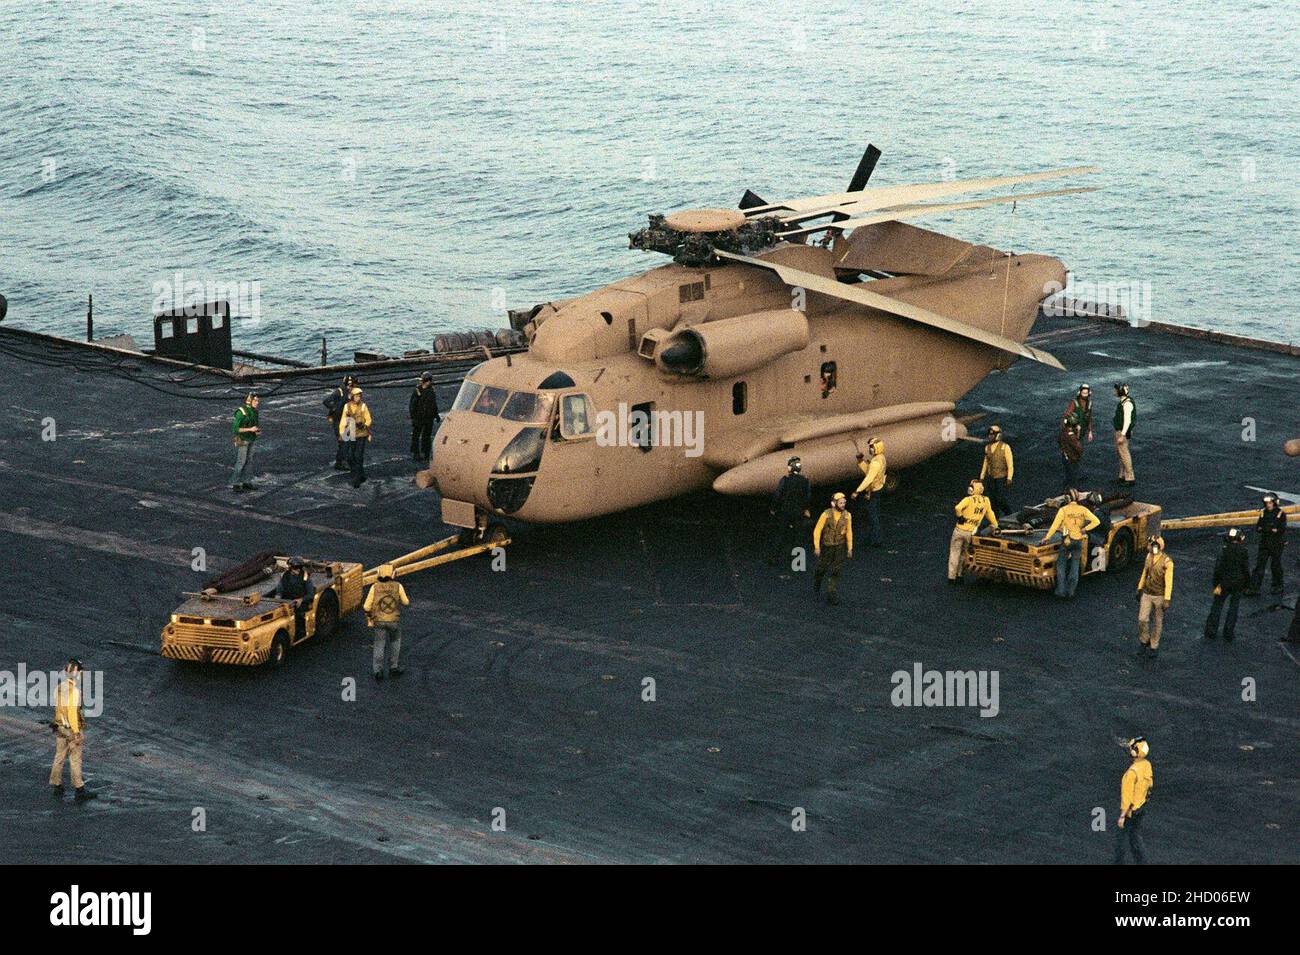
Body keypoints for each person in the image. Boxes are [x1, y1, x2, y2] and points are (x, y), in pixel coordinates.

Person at [49, 658, 95, 802]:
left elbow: (58, 708)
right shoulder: (74, 691)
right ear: (76, 673)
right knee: (75, 759)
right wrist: (76, 732)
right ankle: (79, 789)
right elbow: (72, 713)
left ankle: (57, 785)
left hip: (60, 728)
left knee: (59, 757)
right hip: (70, 729)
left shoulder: (59, 688)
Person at [1041, 489, 1100, 599]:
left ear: (1067, 499)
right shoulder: (1083, 510)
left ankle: (1060, 591)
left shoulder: (1063, 510)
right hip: (1078, 541)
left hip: (1066, 540)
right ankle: (1071, 591)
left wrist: (1046, 538)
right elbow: (1096, 521)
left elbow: (1054, 526)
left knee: (1061, 565)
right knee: (1075, 566)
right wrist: (1085, 529)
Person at [364, 564, 410, 680]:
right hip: (393, 621)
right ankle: (393, 667)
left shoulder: (374, 587)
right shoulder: (398, 586)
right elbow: (406, 602)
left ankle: (378, 671)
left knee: (379, 645)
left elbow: (366, 606)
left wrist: (370, 616)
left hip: (379, 621)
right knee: (395, 643)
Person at [949, 480, 998, 584]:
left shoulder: (968, 499)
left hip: (959, 530)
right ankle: (960, 575)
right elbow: (990, 514)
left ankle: (951, 577)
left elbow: (957, 508)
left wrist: (960, 517)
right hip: (971, 533)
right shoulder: (986, 500)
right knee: (964, 554)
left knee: (954, 553)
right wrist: (996, 525)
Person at [1113, 737, 1153, 865]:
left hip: (1130, 811)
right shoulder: (1147, 765)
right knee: (1135, 837)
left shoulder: (1131, 773)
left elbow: (1127, 797)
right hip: (1142, 808)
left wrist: (1122, 816)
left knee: (1121, 839)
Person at [1205, 528, 1250, 640]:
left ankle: (1211, 630)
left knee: (1217, 606)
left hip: (1224, 582)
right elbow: (1245, 569)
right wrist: (1247, 584)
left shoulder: (1223, 550)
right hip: (1237, 583)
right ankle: (1228, 632)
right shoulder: (1243, 551)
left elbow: (1218, 568)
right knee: (1233, 608)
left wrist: (1216, 583)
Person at [769, 456, 811, 568]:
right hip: (799, 512)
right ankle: (798, 563)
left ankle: (774, 560)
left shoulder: (785, 480)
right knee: (798, 537)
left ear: (790, 468)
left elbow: (778, 495)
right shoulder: (805, 480)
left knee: (781, 535)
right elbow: (807, 497)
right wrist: (805, 509)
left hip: (785, 512)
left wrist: (773, 508)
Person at [812, 492, 853, 604]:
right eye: (840, 503)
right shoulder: (826, 515)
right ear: (833, 503)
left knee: (836, 571)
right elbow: (817, 530)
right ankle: (817, 582)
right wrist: (817, 547)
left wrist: (850, 548)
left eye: (844, 503)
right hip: (827, 547)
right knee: (821, 568)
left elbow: (849, 532)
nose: (843, 505)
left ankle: (831, 594)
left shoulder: (847, 516)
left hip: (840, 547)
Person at [1135, 536, 1174, 656]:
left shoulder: (1167, 562)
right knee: (1142, 619)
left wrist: (1167, 599)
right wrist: (1139, 587)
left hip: (1159, 596)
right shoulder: (1148, 557)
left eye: (1151, 545)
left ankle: (1154, 645)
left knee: (1157, 621)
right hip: (1147, 593)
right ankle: (1144, 639)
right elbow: (1145, 572)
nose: (1149, 547)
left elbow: (1169, 582)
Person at [1245, 492, 1286, 596]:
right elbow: (1258, 527)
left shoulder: (1281, 514)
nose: (1268, 505)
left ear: (1274, 503)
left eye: (1270, 503)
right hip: (1265, 543)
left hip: (1276, 544)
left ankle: (1278, 586)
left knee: (1275, 565)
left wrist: (1267, 529)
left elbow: (1281, 529)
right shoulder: (1263, 513)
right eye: (1266, 503)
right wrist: (1269, 529)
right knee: (1259, 566)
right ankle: (1254, 588)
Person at [850, 437, 887, 547]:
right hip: (878, 488)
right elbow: (869, 471)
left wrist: (857, 491)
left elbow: (869, 478)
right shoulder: (880, 458)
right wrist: (860, 461)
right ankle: (874, 537)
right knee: (873, 514)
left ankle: (877, 540)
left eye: (871, 447)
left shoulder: (876, 462)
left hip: (874, 491)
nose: (870, 449)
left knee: (873, 516)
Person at [339, 387, 373, 488]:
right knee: (349, 455)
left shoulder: (363, 406)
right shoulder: (347, 406)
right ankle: (360, 473)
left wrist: (365, 425)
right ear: (352, 397)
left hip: (361, 433)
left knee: (358, 455)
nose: (358, 398)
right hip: (351, 431)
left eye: (359, 396)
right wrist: (342, 433)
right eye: (356, 396)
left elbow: (368, 418)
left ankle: (357, 477)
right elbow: (343, 420)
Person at [276, 556, 316, 638]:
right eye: (296, 567)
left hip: (301, 603)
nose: (298, 569)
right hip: (288, 602)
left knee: (299, 616)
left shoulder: (305, 577)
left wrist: (301, 599)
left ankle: (300, 633)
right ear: (290, 568)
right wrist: (277, 599)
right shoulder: (284, 576)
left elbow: (311, 594)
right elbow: (279, 590)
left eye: (300, 567)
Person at [979, 425, 1014, 515]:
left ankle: (1009, 514)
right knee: (992, 500)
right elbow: (985, 463)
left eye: (992, 434)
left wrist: (1009, 478)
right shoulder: (987, 447)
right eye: (989, 434)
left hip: (1001, 478)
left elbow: (1010, 465)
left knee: (1000, 498)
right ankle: (995, 520)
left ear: (997, 435)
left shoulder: (1005, 447)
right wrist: (981, 477)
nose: (990, 436)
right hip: (991, 477)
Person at [324, 375, 357, 471]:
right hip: (339, 420)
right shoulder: (340, 392)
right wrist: (335, 409)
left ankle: (346, 460)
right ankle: (340, 462)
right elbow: (326, 401)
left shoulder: (352, 392)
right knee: (343, 442)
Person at [230, 393, 261, 492]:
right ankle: (235, 483)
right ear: (249, 401)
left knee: (249, 461)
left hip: (251, 438)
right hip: (243, 439)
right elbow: (236, 429)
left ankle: (246, 481)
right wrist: (250, 429)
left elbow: (255, 424)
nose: (257, 402)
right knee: (241, 462)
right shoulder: (241, 412)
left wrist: (256, 431)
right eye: (255, 400)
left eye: (257, 401)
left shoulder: (254, 411)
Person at [409, 371, 441, 464]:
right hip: (421, 418)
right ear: (428, 381)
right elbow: (413, 406)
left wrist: (436, 415)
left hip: (427, 418)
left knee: (424, 436)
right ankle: (417, 453)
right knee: (418, 436)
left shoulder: (429, 390)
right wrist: (413, 417)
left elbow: (433, 405)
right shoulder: (419, 391)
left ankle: (424, 453)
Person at [1113, 383, 1136, 486]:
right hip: (1120, 431)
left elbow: (1127, 421)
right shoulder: (1123, 402)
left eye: (1117, 390)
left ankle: (1130, 478)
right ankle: (1122, 476)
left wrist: (1122, 435)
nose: (1115, 391)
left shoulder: (1127, 404)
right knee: (1120, 454)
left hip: (1122, 432)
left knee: (1124, 454)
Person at [1058, 420, 1083, 491]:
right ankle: (1072, 493)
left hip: (1065, 457)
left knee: (1067, 476)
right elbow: (1079, 448)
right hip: (1072, 459)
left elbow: (1059, 441)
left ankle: (1065, 490)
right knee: (1073, 478)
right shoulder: (1071, 436)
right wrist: (1078, 432)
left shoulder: (1063, 433)